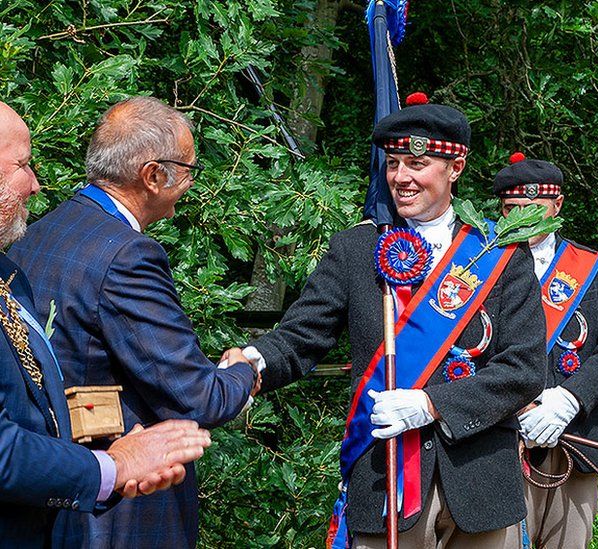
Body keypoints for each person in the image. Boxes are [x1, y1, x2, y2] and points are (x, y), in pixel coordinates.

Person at [234, 92, 546, 548]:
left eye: (417, 164)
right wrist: (252, 362)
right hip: (384, 480)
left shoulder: (500, 255)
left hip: (480, 481)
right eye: (394, 163)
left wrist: (432, 404)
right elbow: (301, 336)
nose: (401, 177)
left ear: (455, 168)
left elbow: (524, 369)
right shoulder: (355, 249)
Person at [8, 96, 260, 548]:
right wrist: (243, 370)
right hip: (117, 514)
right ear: (153, 175)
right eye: (189, 170)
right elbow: (199, 397)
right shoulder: (128, 255)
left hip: (48, 500)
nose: (190, 183)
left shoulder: (39, 232)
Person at [492, 152, 598, 548]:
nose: (523, 219)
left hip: (577, 436)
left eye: (534, 208)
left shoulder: (594, 267)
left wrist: (570, 399)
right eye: (512, 209)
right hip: (503, 436)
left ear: (557, 205)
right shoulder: (481, 264)